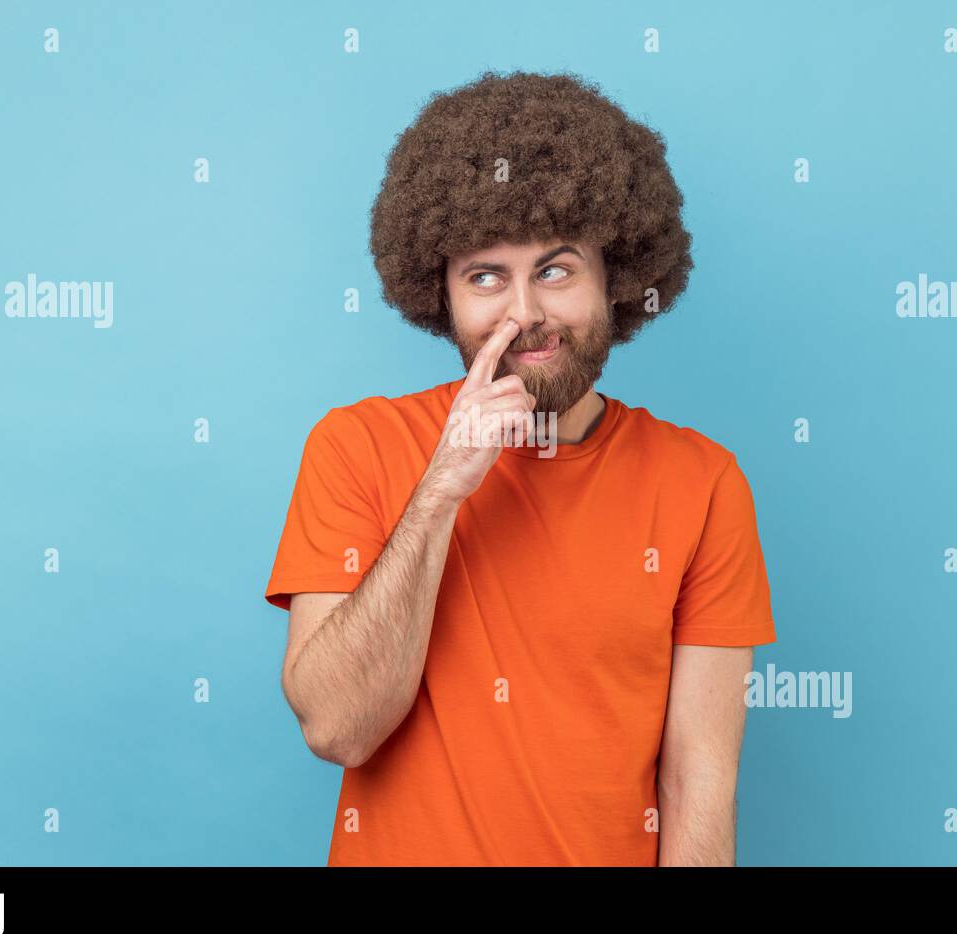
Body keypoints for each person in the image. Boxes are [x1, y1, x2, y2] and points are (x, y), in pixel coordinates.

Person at [264, 69, 777, 866]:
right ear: (441, 296)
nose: (524, 312)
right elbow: (337, 728)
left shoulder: (703, 484)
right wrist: (440, 491)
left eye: (556, 270)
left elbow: (699, 789)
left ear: (617, 280)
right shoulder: (355, 445)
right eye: (486, 277)